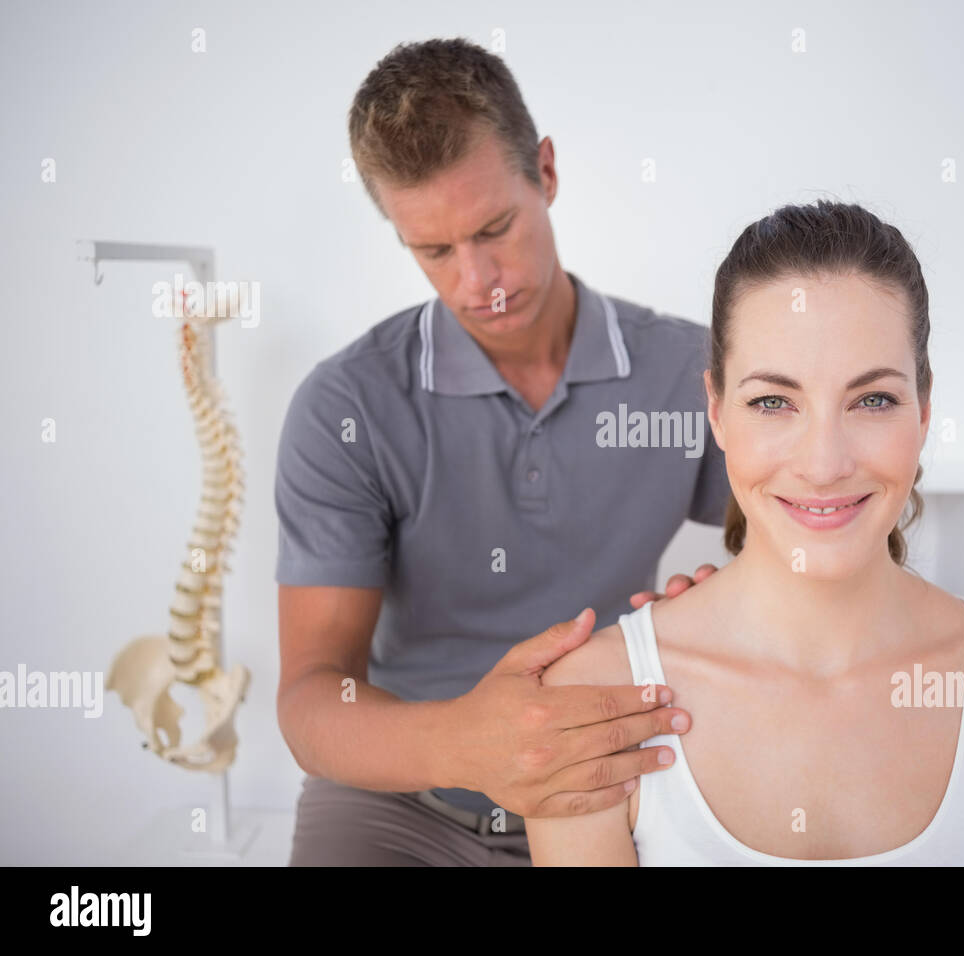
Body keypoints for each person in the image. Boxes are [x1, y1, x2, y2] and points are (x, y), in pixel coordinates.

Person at [524, 200, 964, 865]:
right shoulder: (593, 706)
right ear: (716, 412)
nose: (824, 465)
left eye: (873, 400)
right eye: (773, 401)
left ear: (924, 410)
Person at [274, 37, 731, 866]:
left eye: (495, 228)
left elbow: (809, 539)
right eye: (435, 251)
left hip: (615, 790)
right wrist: (466, 745)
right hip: (398, 802)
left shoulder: (687, 373)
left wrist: (727, 605)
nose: (478, 279)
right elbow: (311, 697)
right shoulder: (346, 408)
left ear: (545, 173)